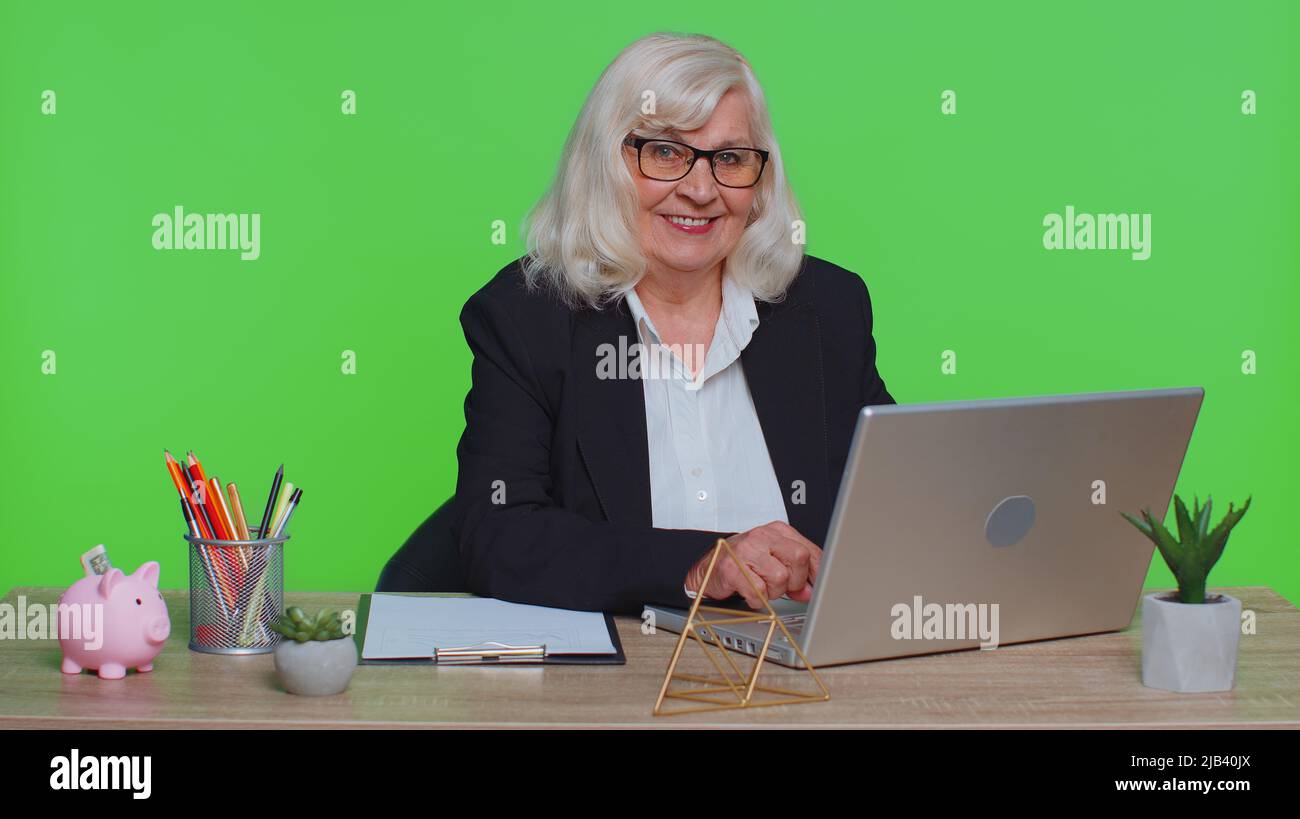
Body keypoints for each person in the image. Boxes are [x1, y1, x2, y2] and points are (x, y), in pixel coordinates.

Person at [452, 32, 893, 614]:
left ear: (761, 179)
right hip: (627, 676)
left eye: (730, 159)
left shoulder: (828, 307)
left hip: (807, 666)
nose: (701, 189)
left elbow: (896, 503)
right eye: (665, 152)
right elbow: (497, 534)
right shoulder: (527, 315)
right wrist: (700, 564)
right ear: (605, 161)